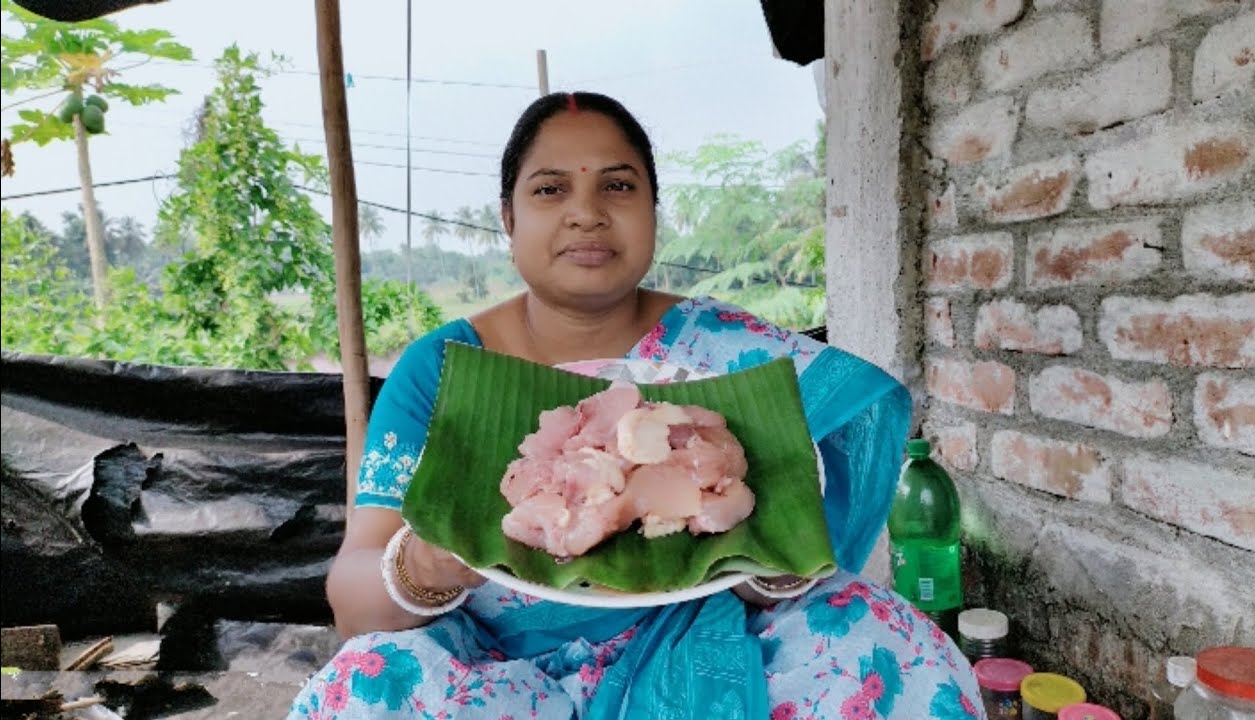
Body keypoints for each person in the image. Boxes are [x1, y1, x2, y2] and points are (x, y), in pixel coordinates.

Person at [289, 91, 983, 720]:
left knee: (876, 638)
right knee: (372, 685)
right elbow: (354, 600)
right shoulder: (442, 370)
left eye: (618, 186)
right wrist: (427, 565)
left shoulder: (723, 352)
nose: (586, 212)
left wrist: (770, 563)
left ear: (653, 210)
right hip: (492, 662)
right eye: (550, 188)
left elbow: (790, 554)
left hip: (710, 638)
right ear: (508, 216)